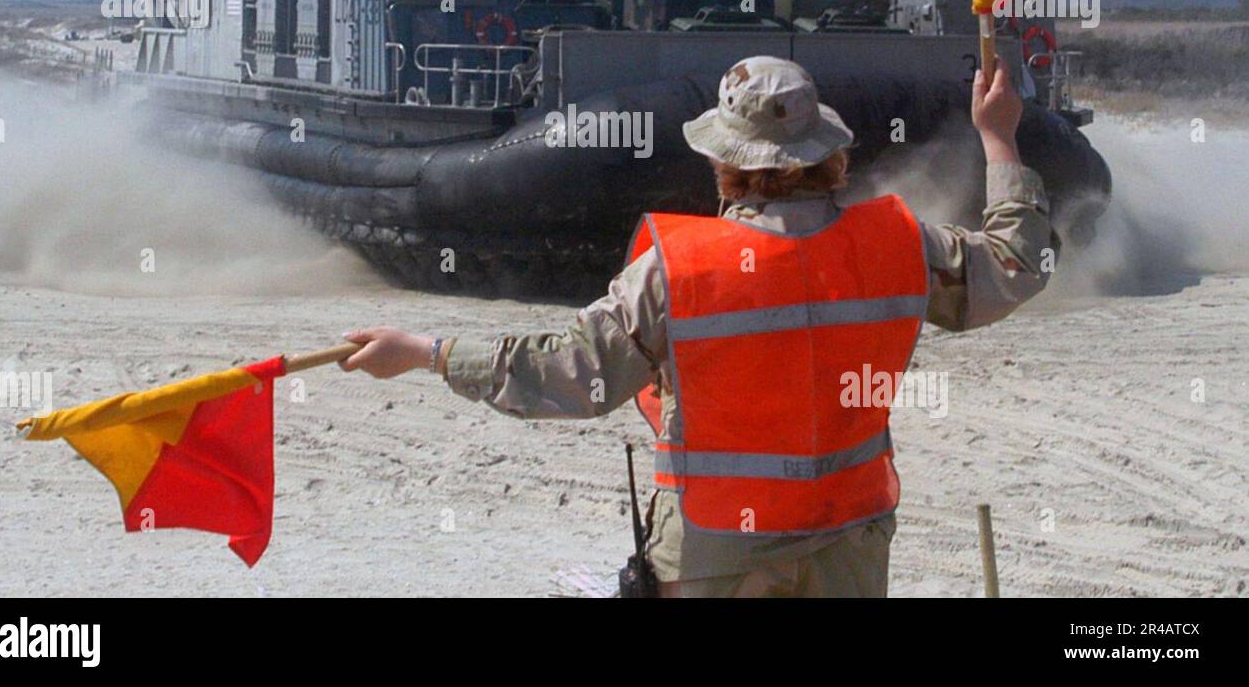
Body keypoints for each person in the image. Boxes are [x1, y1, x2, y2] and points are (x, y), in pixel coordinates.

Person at [340, 55, 1053, 598]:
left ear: (724, 162)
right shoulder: (899, 244)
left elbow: (574, 374)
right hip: (849, 546)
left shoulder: (677, 270)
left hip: (716, 554)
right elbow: (1016, 265)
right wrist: (998, 140)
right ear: (829, 154)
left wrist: (427, 353)